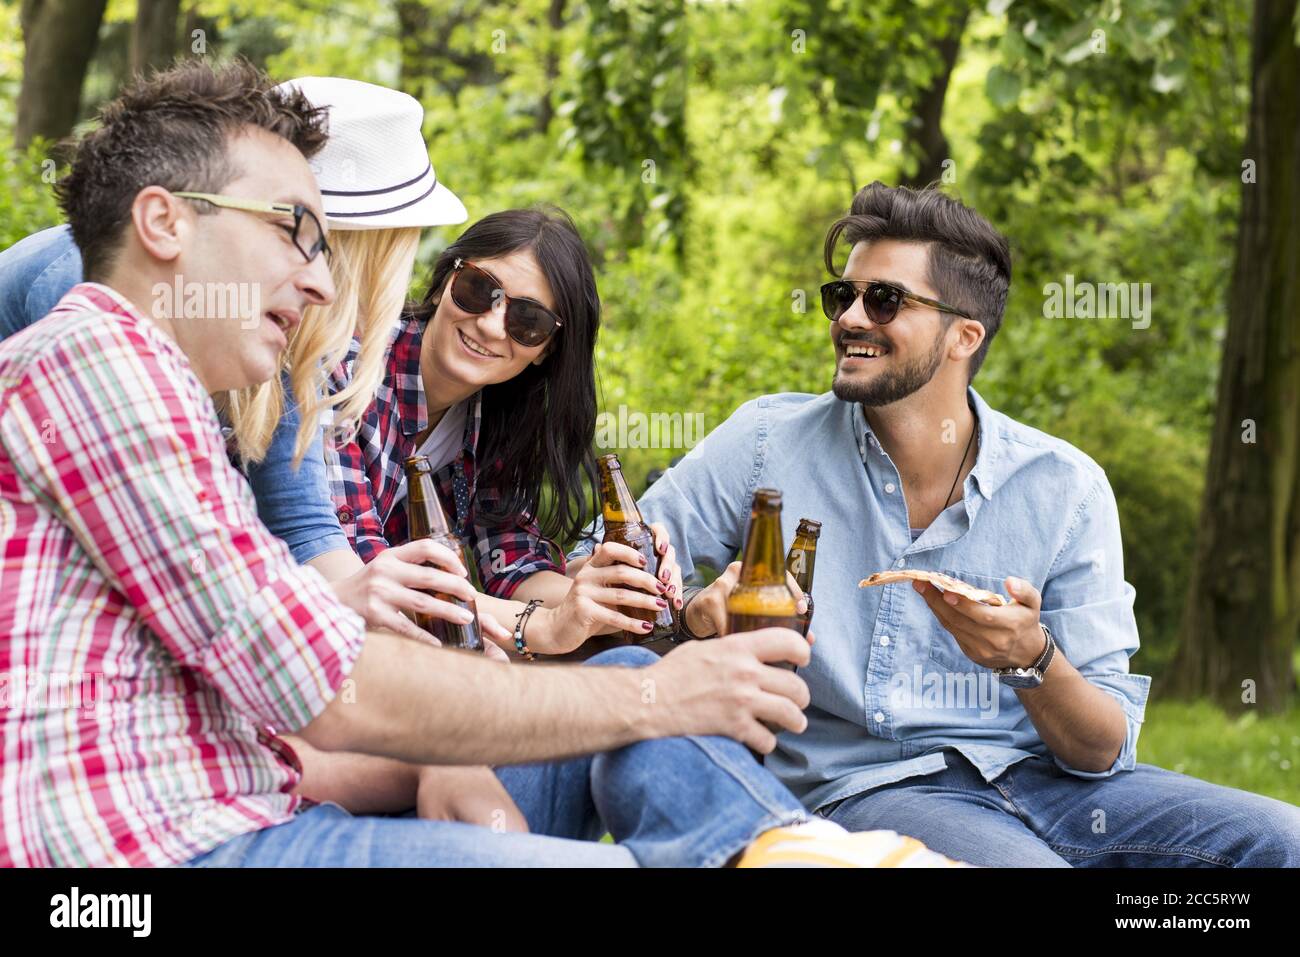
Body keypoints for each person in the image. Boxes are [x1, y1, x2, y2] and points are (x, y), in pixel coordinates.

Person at [0, 59, 962, 869]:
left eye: (531, 321)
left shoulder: (176, 390)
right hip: (160, 844)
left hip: (264, 783)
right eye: (295, 229)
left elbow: (317, 637)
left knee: (631, 690)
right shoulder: (105, 361)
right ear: (167, 223)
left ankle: (772, 846)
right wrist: (654, 686)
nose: (321, 276)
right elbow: (331, 680)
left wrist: (580, 608)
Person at [570, 181, 1300, 867]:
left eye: (884, 300)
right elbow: (602, 582)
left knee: (1281, 839)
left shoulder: (1064, 486)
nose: (849, 318)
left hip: (1055, 784)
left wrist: (1033, 658)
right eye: (842, 296)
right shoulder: (765, 443)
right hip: (873, 788)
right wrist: (691, 615)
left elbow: (1102, 750)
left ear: (963, 336)